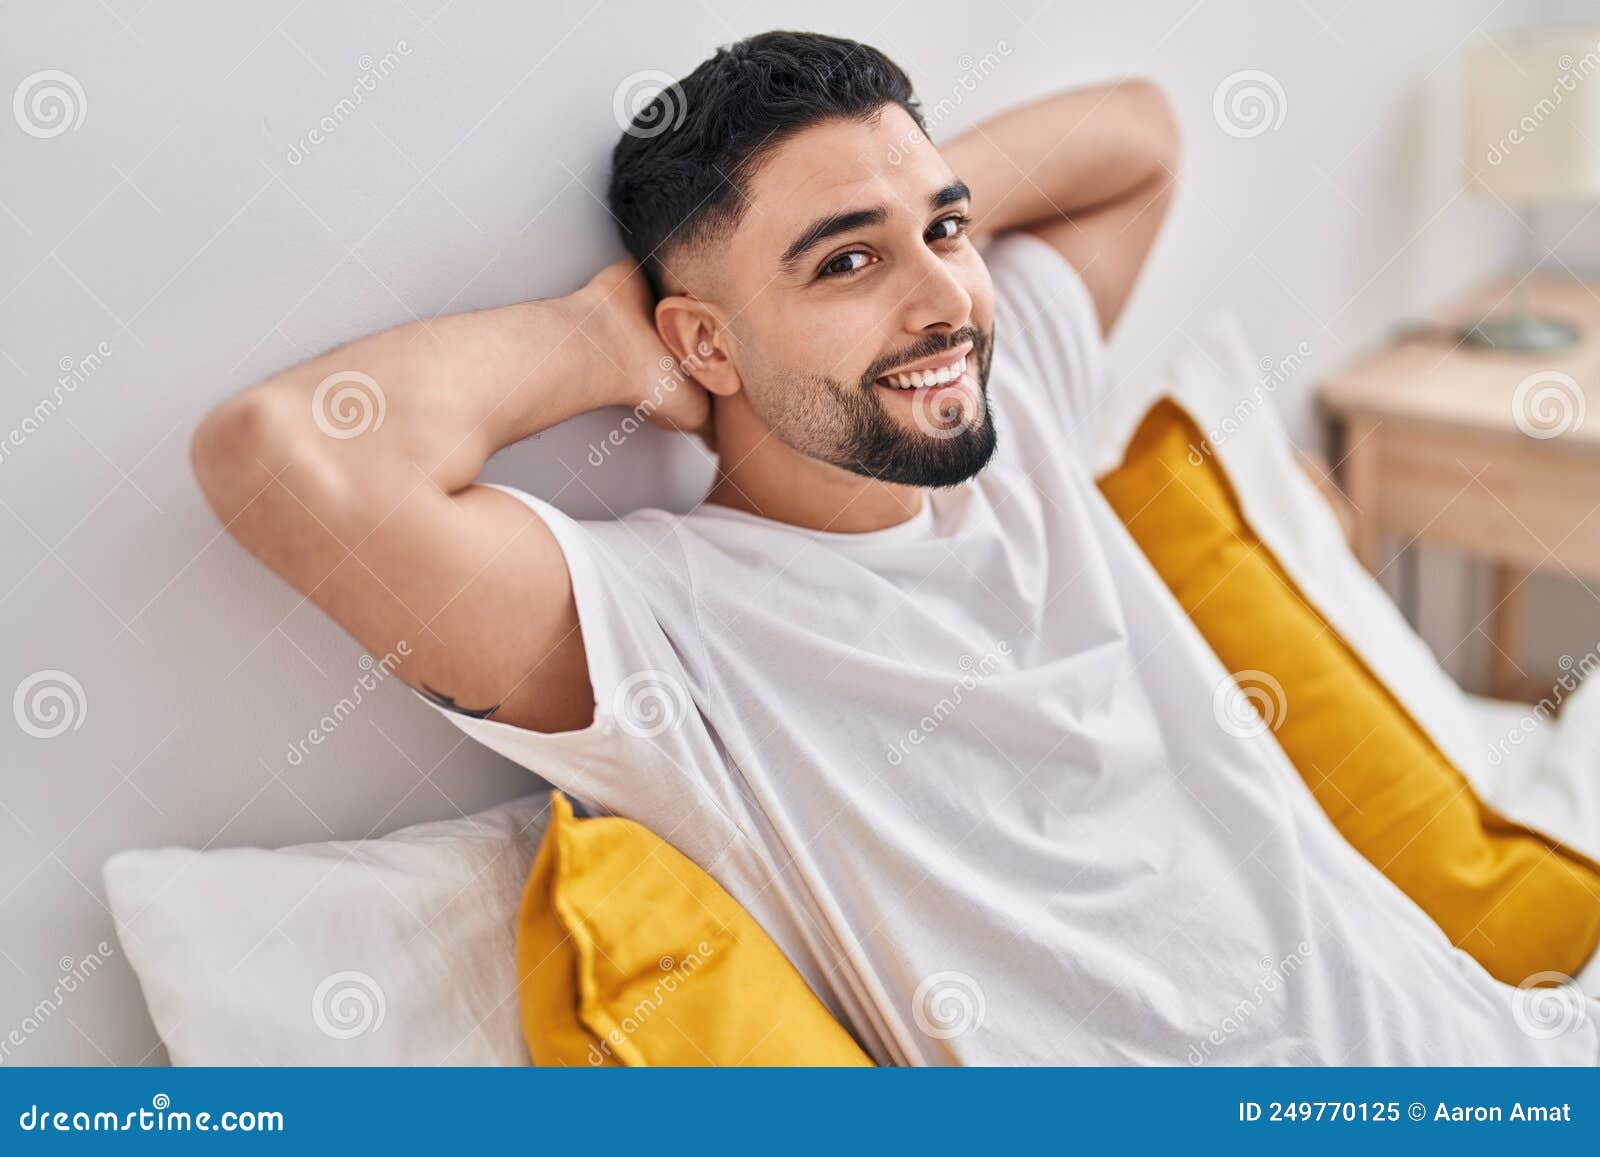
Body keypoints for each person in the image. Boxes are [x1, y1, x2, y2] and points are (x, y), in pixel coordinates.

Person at [191, 30, 1599, 1064]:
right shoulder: (659, 624)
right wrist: (606, 335)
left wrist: (892, 198)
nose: (945, 300)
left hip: (1490, 1049)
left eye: (949, 233)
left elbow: (1142, 136)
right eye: (847, 263)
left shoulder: (1012, 403)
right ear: (703, 341)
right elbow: (282, 454)